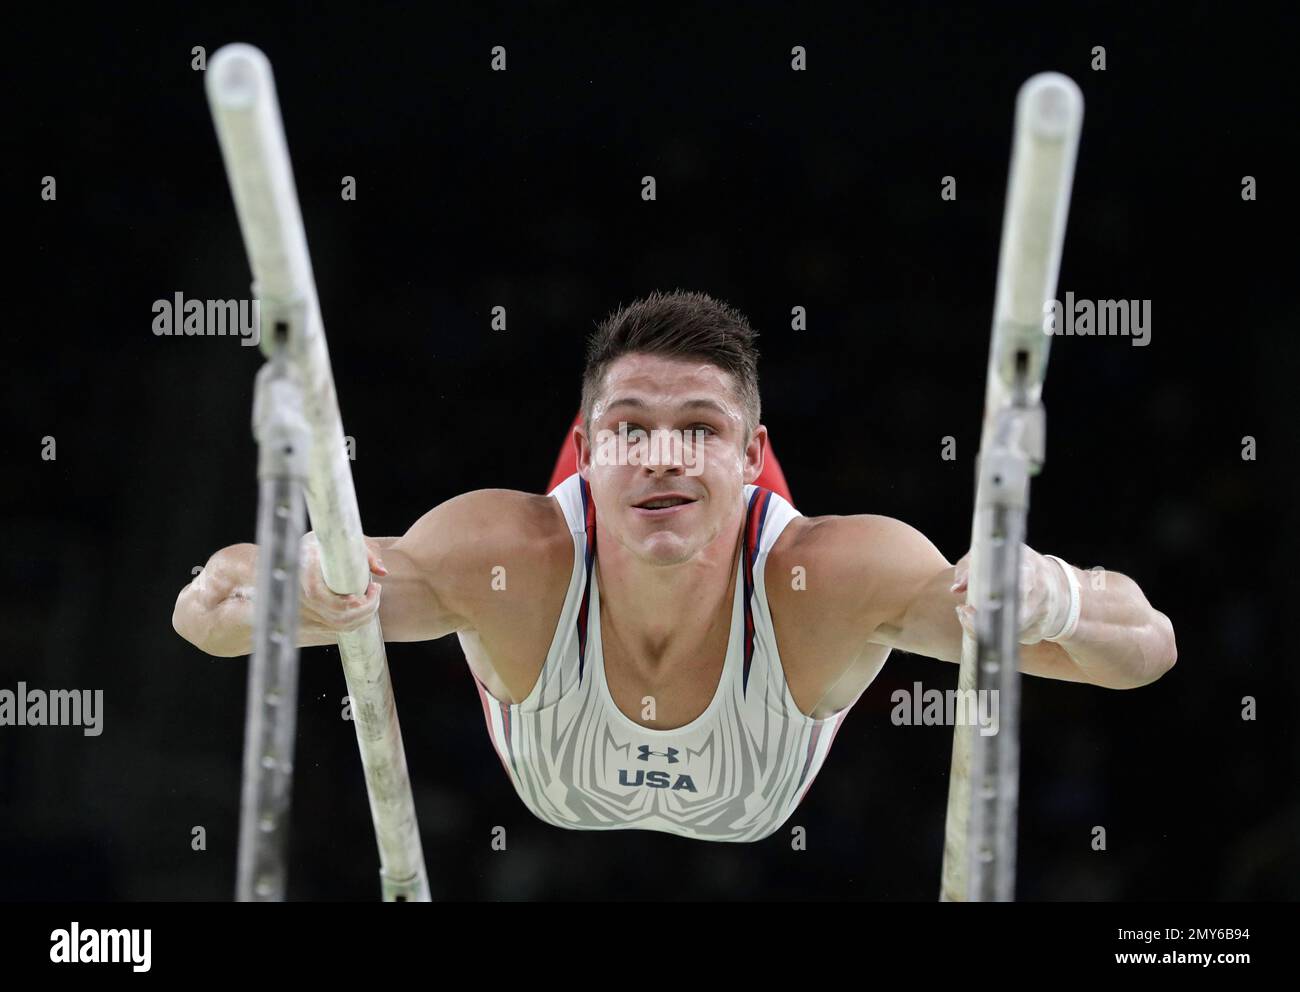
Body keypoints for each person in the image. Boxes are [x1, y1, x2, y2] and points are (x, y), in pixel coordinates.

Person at [173, 289, 1176, 842]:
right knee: (532, 543)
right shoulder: (509, 558)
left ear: (753, 456)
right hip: (573, 711)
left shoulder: (830, 577)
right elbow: (205, 609)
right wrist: (285, 579)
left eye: (701, 428)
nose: (664, 452)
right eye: (631, 428)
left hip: (738, 726)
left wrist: (1052, 596)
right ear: (585, 441)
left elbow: (1145, 648)